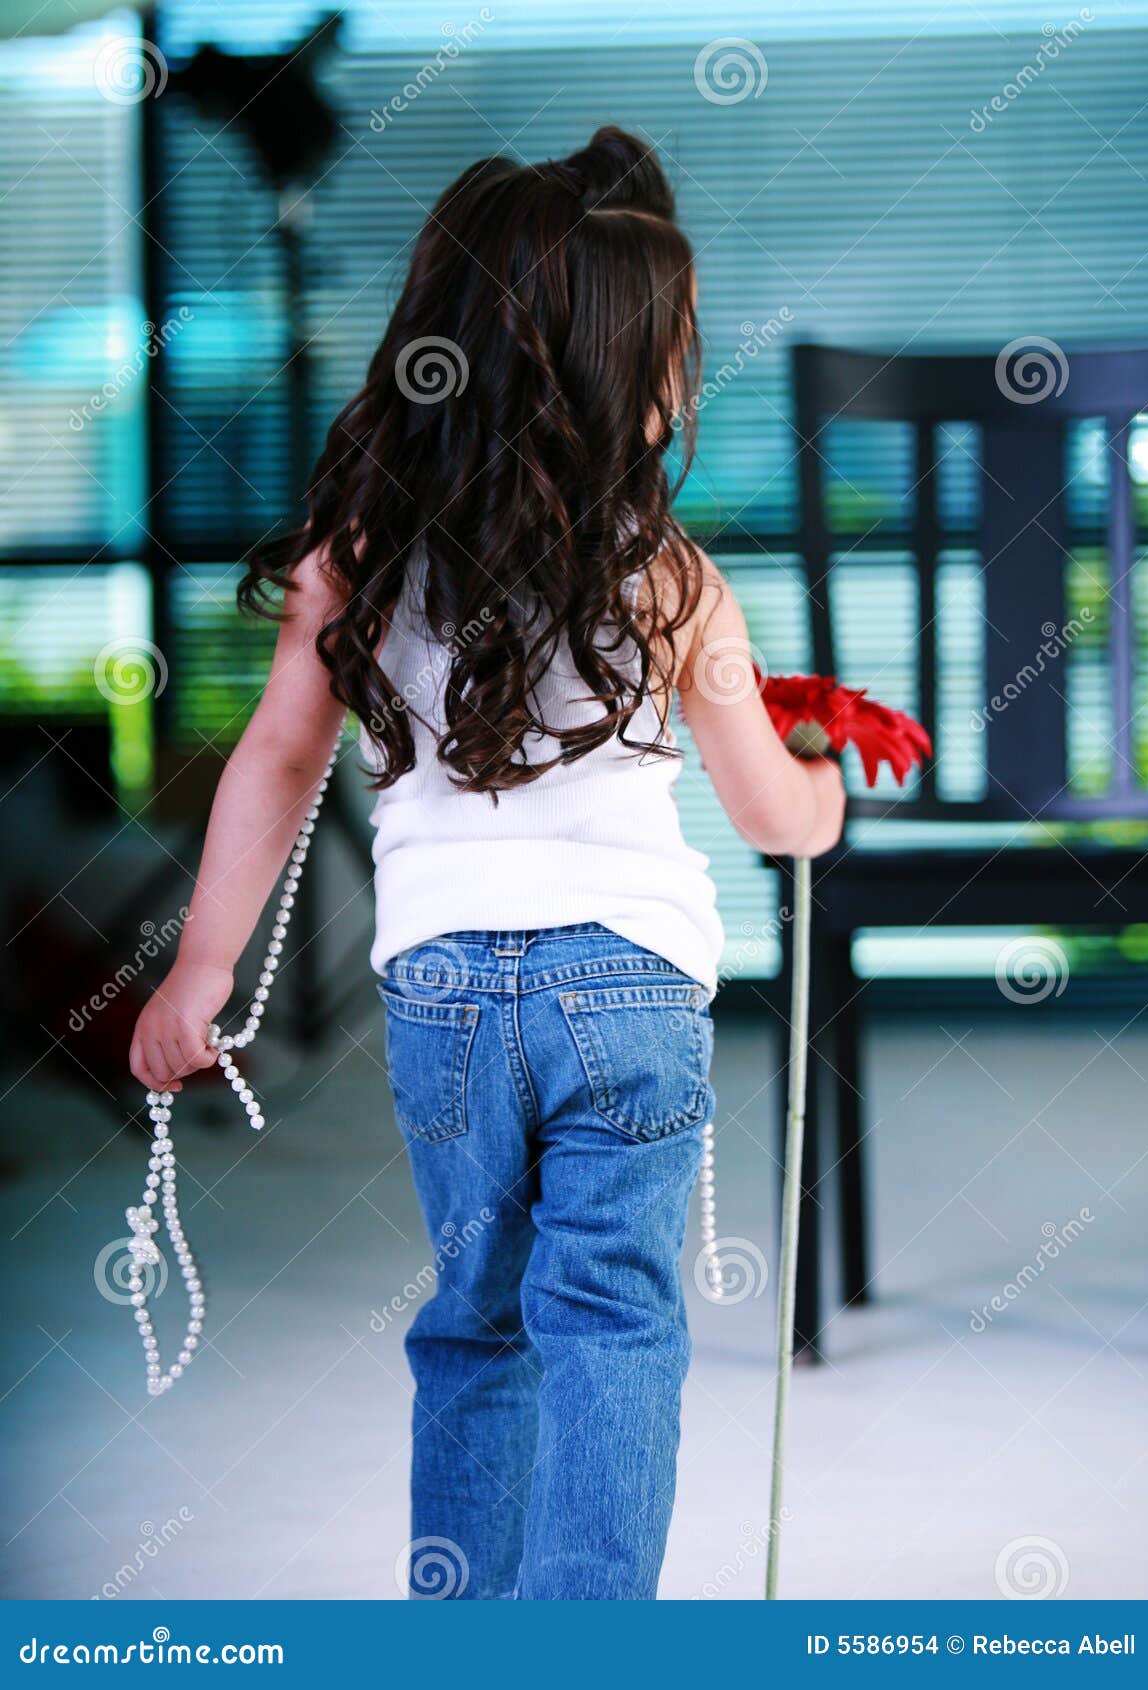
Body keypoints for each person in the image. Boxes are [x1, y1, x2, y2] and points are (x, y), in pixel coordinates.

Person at [129, 126, 845, 1600]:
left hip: (447, 996)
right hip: (631, 992)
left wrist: (200, 972)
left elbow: (275, 757)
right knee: (616, 1322)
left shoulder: (362, 554)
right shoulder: (673, 580)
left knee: (478, 1320)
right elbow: (772, 813)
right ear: (629, 379)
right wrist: (823, 790)